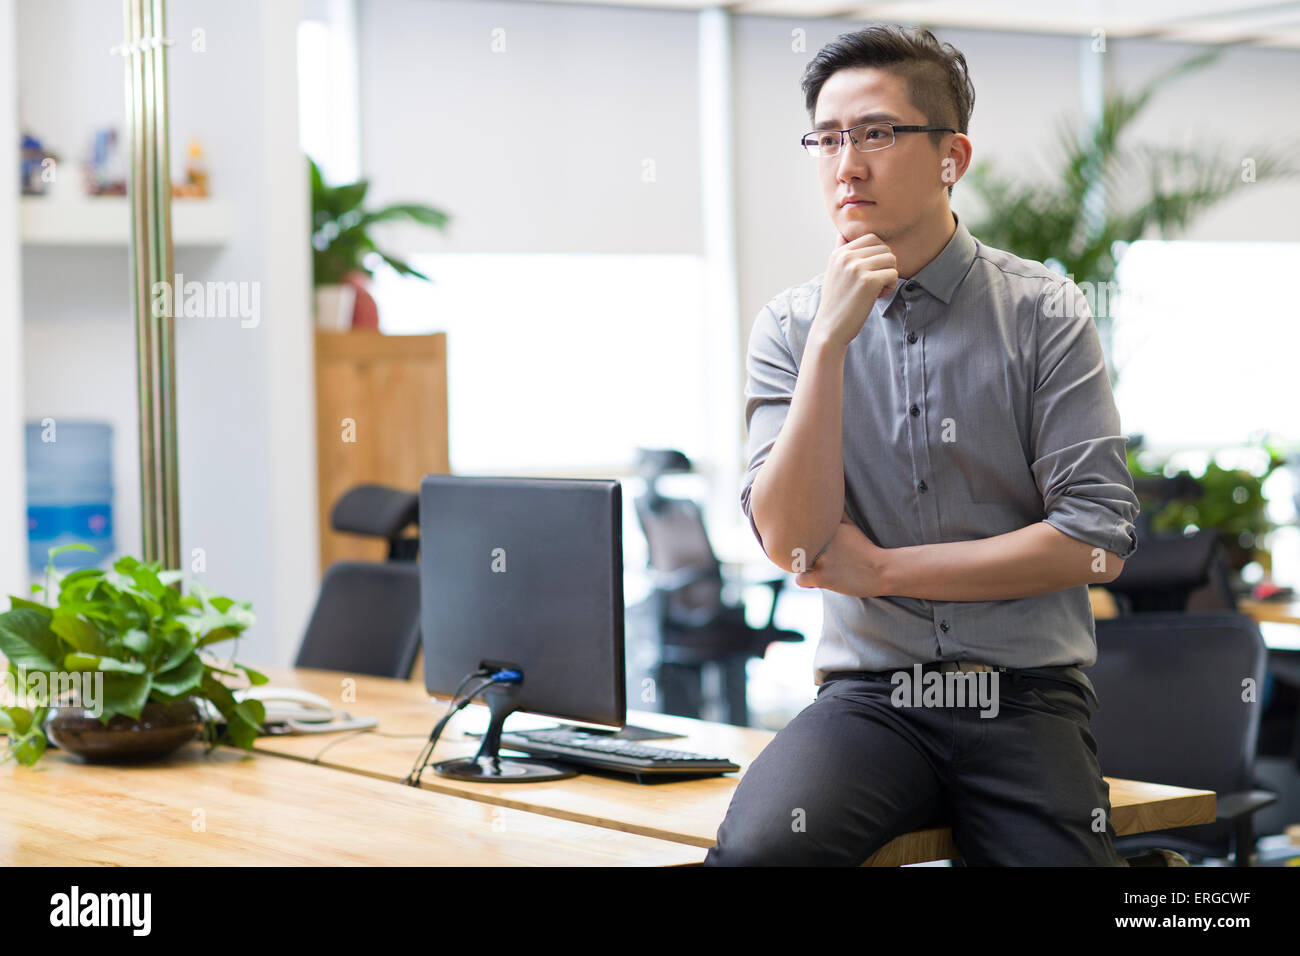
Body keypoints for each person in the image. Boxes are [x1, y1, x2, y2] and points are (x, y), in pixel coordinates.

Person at [704, 24, 1140, 867]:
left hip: (1024, 699)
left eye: (875, 134)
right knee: (760, 854)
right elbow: (794, 543)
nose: (846, 163)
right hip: (871, 702)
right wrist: (830, 345)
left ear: (952, 156)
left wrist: (888, 571)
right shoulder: (792, 328)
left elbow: (1095, 542)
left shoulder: (1043, 311)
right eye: (827, 138)